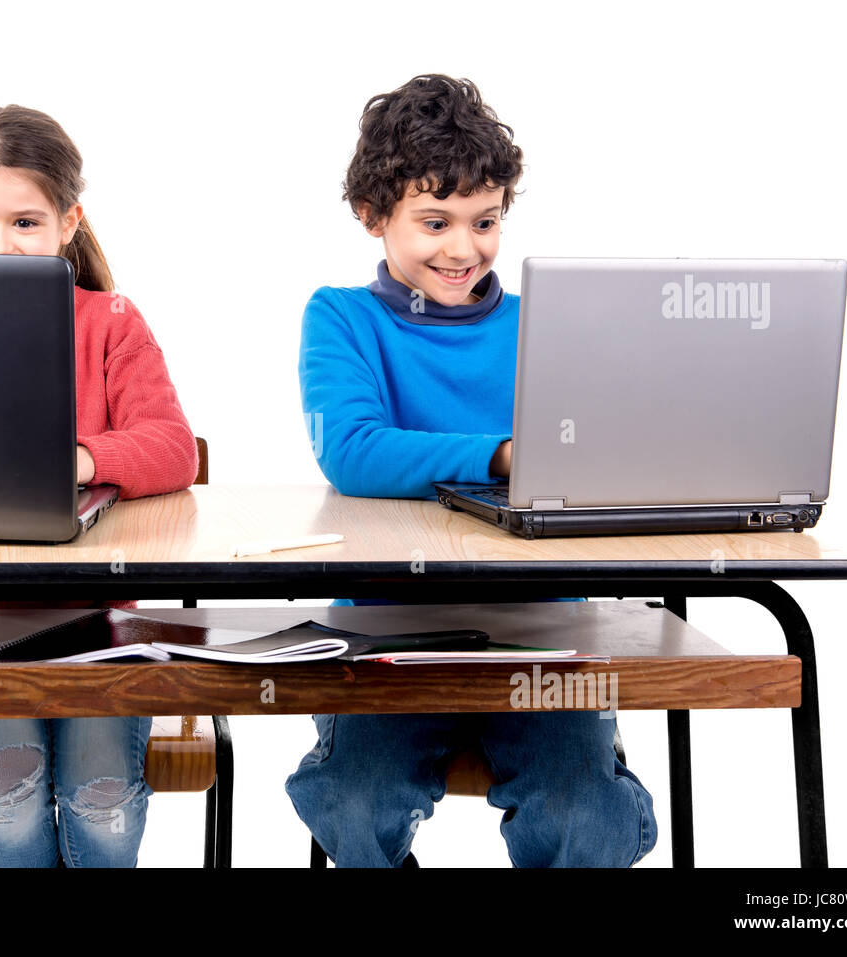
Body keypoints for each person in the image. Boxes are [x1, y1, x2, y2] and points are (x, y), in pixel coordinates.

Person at [284, 75, 657, 867]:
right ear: (371, 215)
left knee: (583, 814)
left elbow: (594, 448)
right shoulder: (341, 317)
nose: (463, 248)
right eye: (434, 222)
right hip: (386, 634)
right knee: (354, 803)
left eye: (484, 222)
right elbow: (354, 450)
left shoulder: (542, 323)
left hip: (543, 634)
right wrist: (501, 453)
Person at [0, 104, 198, 867]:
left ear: (69, 223)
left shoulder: (109, 323)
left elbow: (172, 446)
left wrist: (75, 458)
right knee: (10, 792)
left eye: (26, 223)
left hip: (95, 625)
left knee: (100, 804)